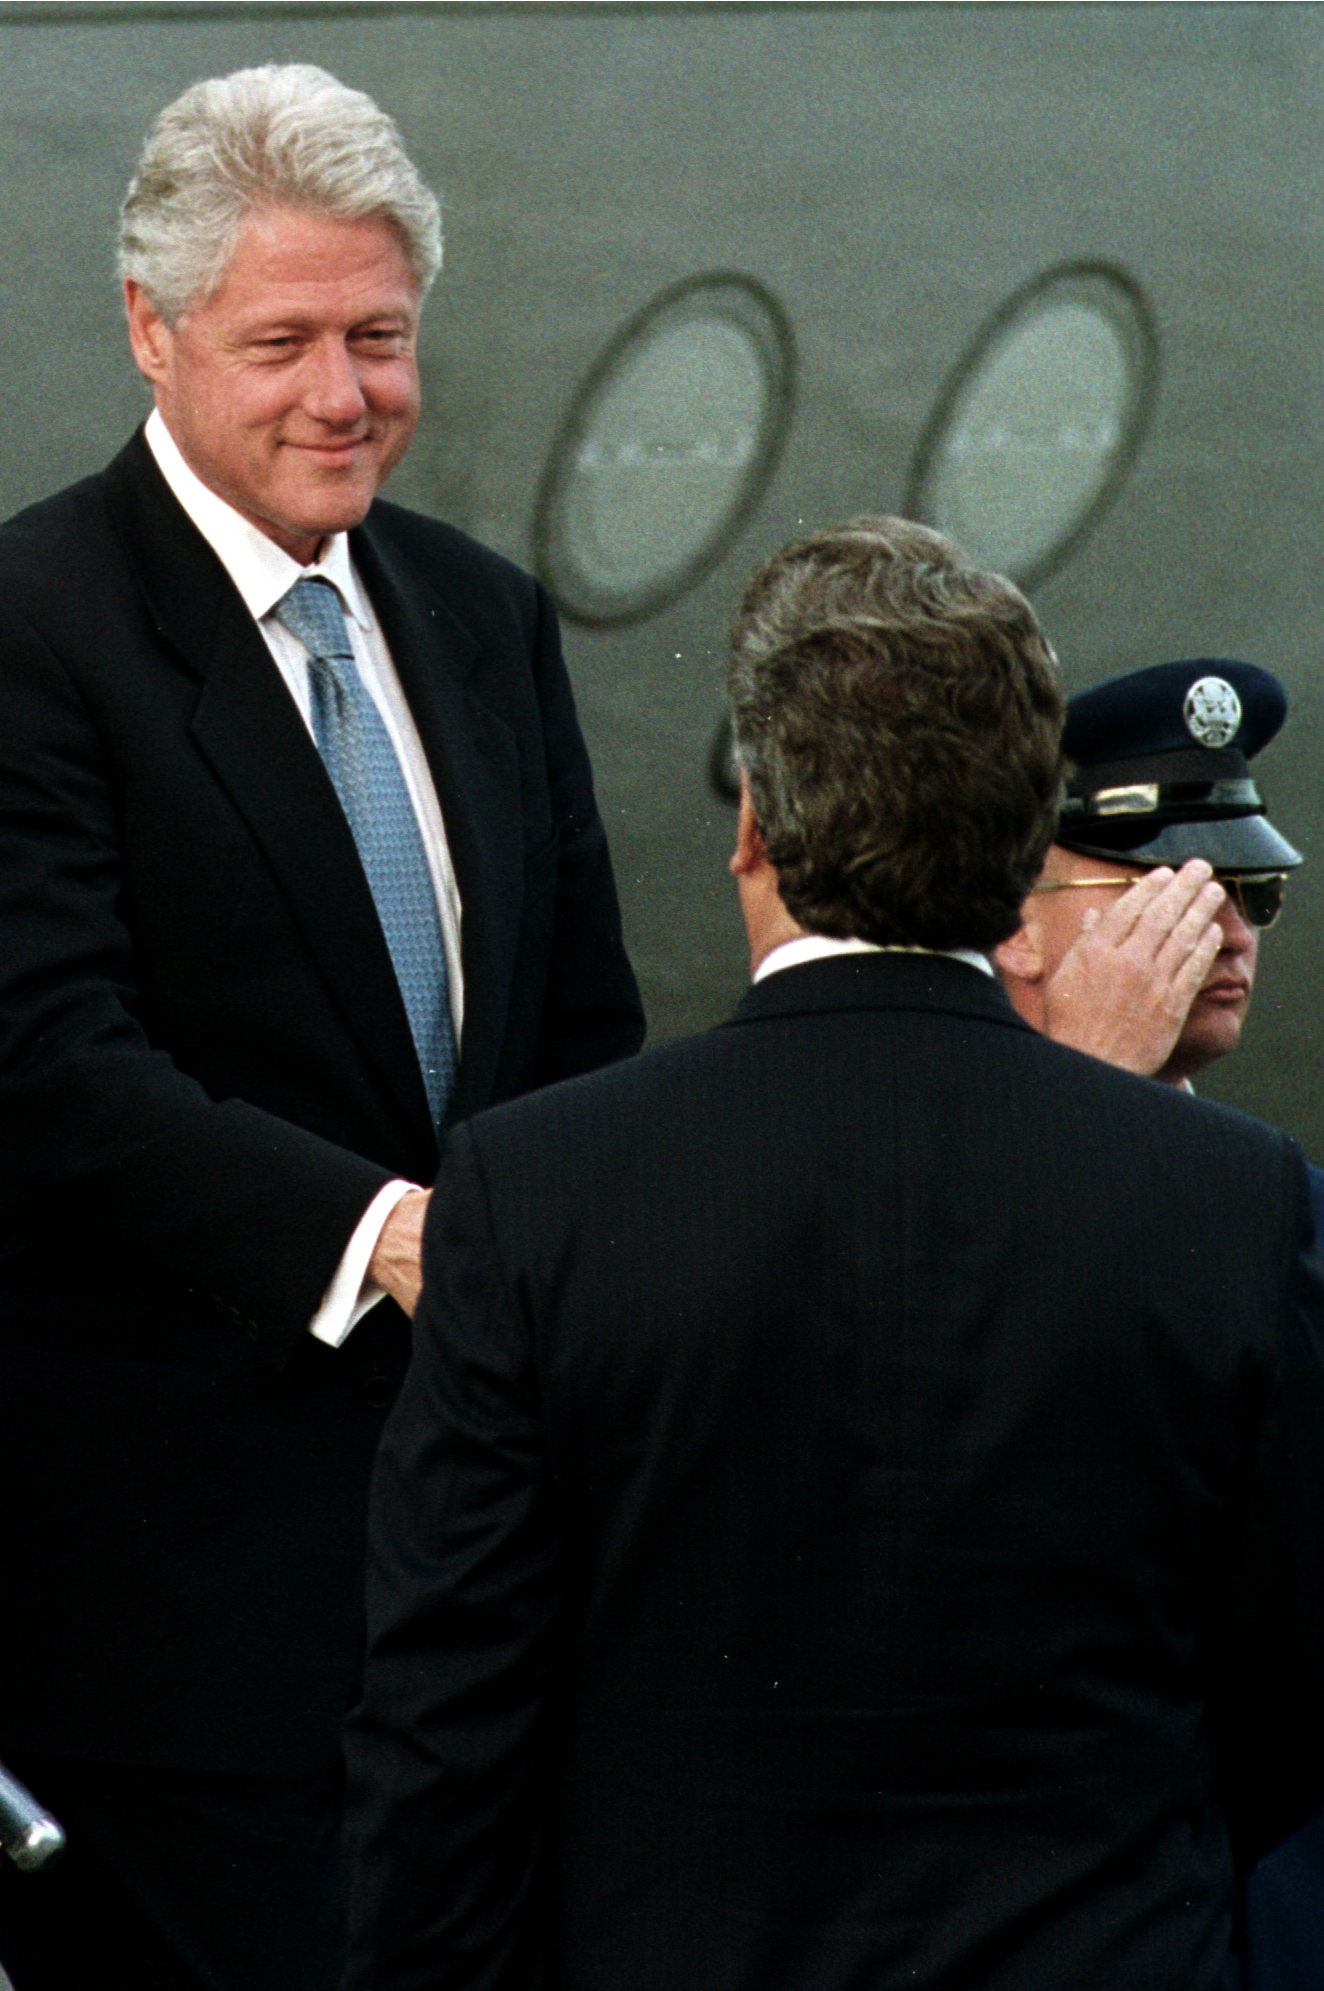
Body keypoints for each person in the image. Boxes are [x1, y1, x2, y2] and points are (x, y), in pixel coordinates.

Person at [0, 59, 643, 1991]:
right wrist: (385, 1236)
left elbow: (576, 1038)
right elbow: (51, 1065)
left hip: (462, 1601)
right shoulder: (9, 630)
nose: (341, 394)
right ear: (150, 330)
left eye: (378, 338)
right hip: (153, 1614)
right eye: (280, 340)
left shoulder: (477, 617)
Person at [342, 517, 1324, 1990]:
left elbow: (444, 1735)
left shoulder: (535, 1192)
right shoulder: (1223, 1196)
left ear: (754, 825)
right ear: (1013, 863)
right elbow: (1275, 1695)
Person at [992, 659, 1319, 1990]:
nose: (1225, 930)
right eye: (1168, 891)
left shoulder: (1293, 1213)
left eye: (1246, 891)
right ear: (1012, 917)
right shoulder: (904, 1199)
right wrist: (1076, 1108)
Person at [996, 656, 1301, 1089]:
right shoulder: (924, 1135)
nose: (1235, 937)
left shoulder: (1252, 1156)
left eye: (1255, 890)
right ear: (1017, 930)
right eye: (1175, 897)